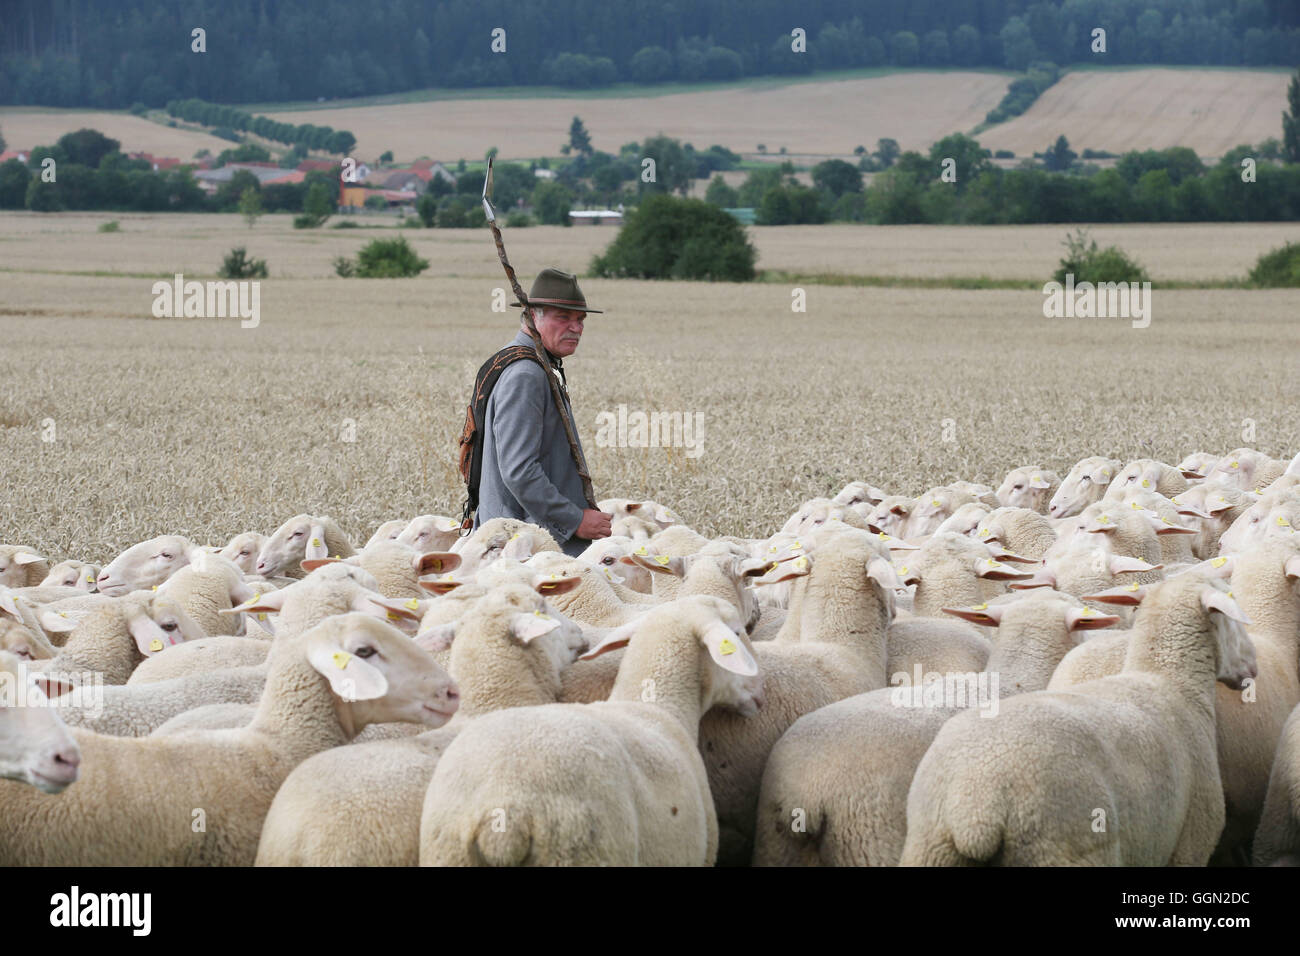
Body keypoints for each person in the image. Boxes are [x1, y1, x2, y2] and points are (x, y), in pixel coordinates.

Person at [473, 268, 611, 556]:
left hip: (524, 543)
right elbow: (519, 470)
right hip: (522, 550)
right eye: (563, 317)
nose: (576, 328)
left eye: (580, 319)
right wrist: (575, 520)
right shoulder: (526, 373)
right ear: (533, 315)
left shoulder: (530, 363)